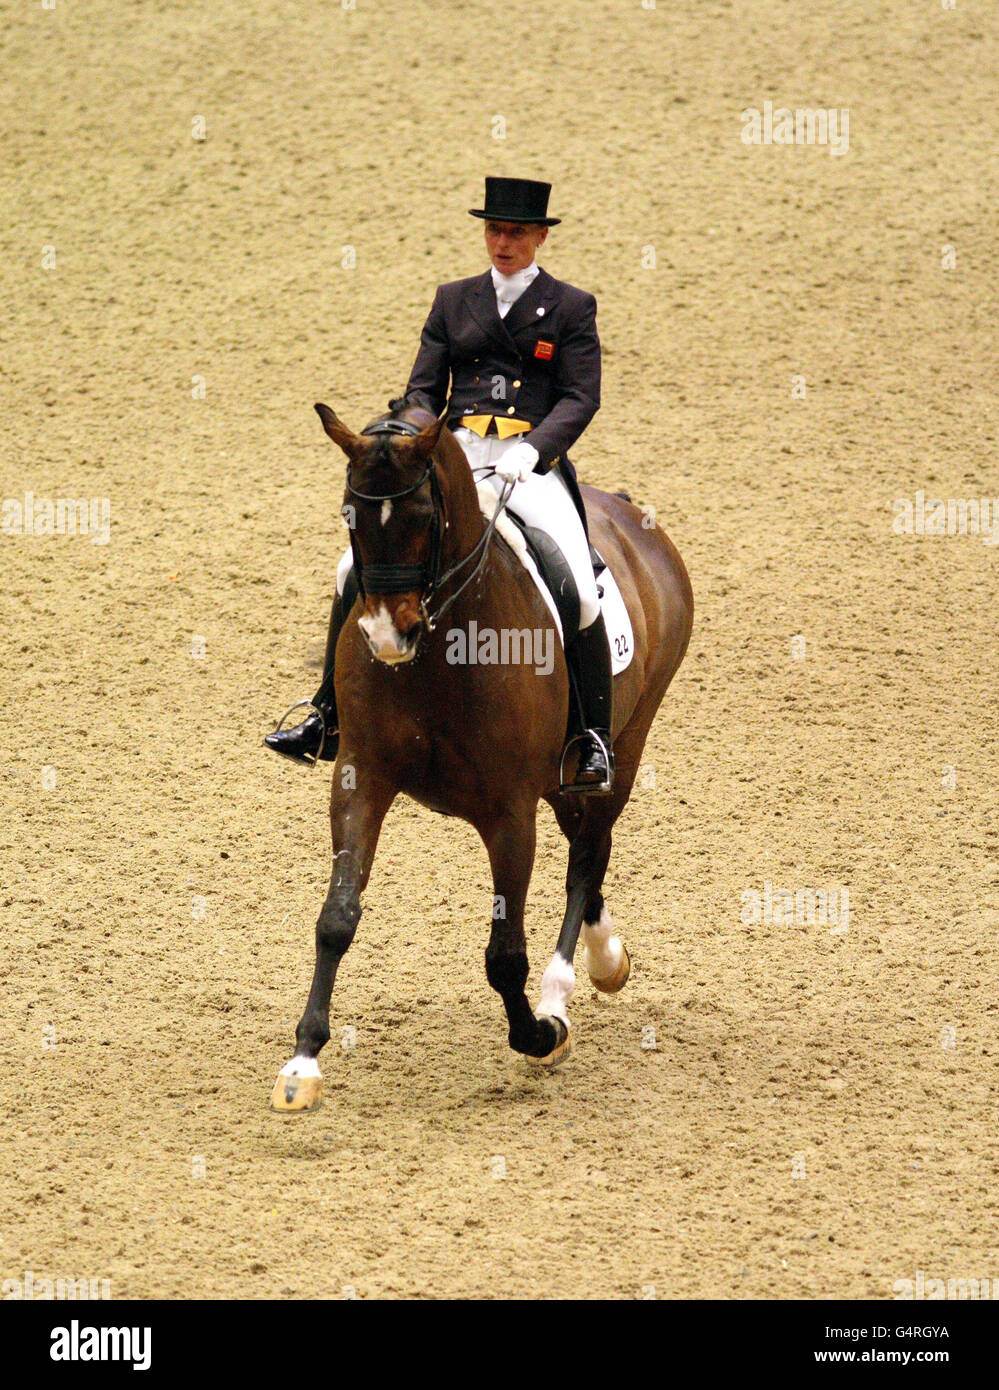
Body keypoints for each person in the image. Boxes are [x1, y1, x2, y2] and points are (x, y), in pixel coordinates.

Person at [266, 176, 613, 792]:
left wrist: (533, 450)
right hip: (453, 458)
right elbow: (426, 388)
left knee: (575, 586)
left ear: (538, 236)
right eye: (494, 230)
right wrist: (412, 438)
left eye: (515, 232)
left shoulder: (569, 306)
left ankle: (590, 740)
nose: (503, 242)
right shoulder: (454, 300)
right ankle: (325, 715)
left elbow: (580, 396)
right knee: (352, 568)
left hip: (530, 464)